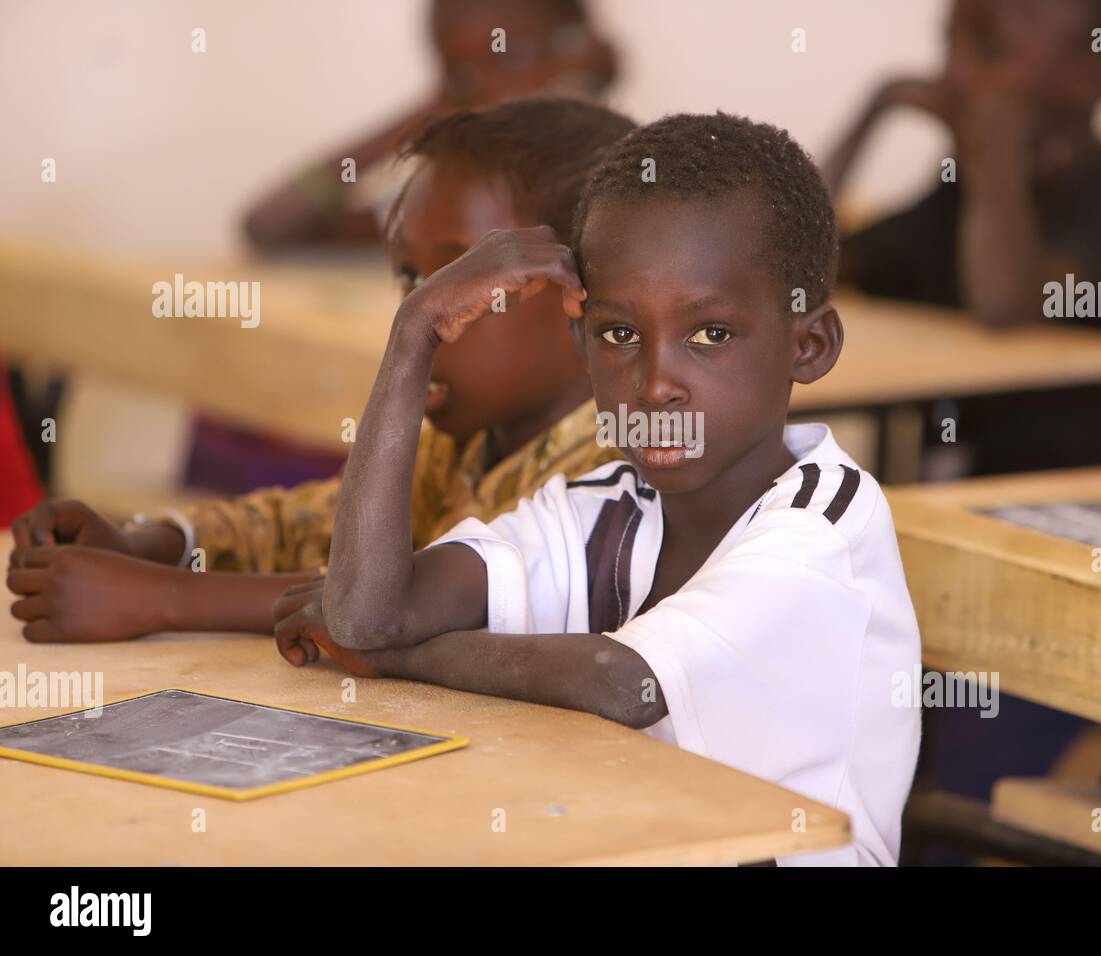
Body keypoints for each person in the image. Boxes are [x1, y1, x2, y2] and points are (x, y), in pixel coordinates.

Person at [291, 112, 922, 866]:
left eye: (711, 335)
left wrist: (391, 657)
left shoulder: (824, 529)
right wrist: (414, 335)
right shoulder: (599, 507)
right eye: (620, 334)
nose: (656, 384)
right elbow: (368, 614)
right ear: (580, 343)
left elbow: (620, 682)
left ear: (808, 345)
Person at [6, 98, 633, 643]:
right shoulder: (466, 443)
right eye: (411, 281)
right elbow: (314, 525)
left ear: (579, 293)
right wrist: (152, 543)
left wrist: (160, 598)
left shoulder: (617, 473)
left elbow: (416, 609)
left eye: (460, 284)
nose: (421, 316)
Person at [825, 0, 1101, 476]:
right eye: (949, 43)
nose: (953, 73)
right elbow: (809, 265)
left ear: (1096, 68)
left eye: (988, 50)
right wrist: (875, 110)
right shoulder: (956, 203)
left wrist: (996, 150)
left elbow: (1007, 303)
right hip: (971, 507)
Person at [242, 0, 618, 251]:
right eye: (462, 76)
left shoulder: (619, 174)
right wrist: (422, 116)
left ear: (581, 48)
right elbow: (269, 226)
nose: (490, 89)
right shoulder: (454, 197)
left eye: (511, 56)